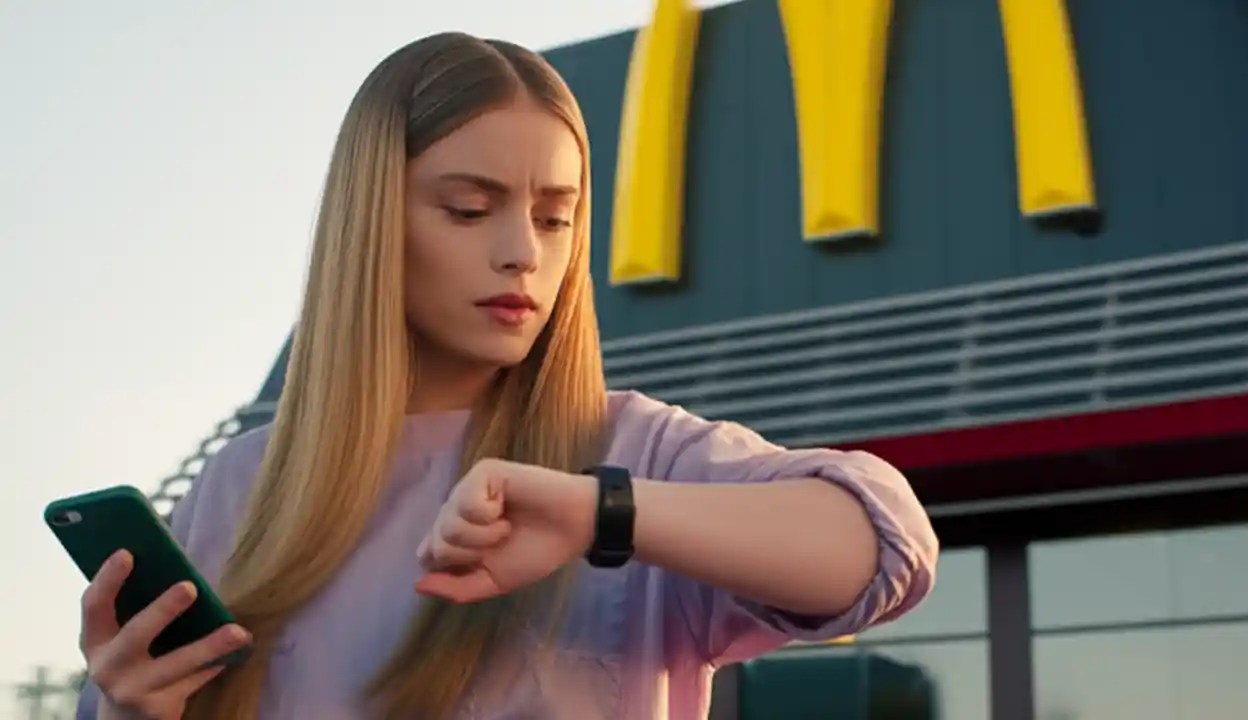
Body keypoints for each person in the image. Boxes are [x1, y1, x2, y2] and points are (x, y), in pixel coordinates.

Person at [73, 32, 938, 720]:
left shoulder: (632, 448)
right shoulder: (239, 487)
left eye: (556, 218)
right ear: (371, 223)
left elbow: (883, 546)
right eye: (469, 209)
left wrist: (599, 511)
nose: (524, 252)